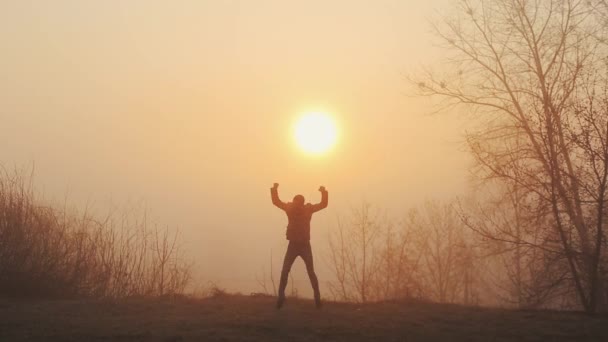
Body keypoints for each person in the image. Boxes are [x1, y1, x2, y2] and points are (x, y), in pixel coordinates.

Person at [270, 183, 328, 309]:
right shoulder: (298, 208)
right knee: (287, 271)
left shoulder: (298, 208)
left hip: (303, 245)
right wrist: (274, 189)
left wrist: (324, 192)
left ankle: (317, 299)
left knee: (308, 271)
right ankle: (281, 297)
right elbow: (276, 201)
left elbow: (323, 204)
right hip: (295, 245)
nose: (294, 203)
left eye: (296, 202)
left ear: (300, 203)